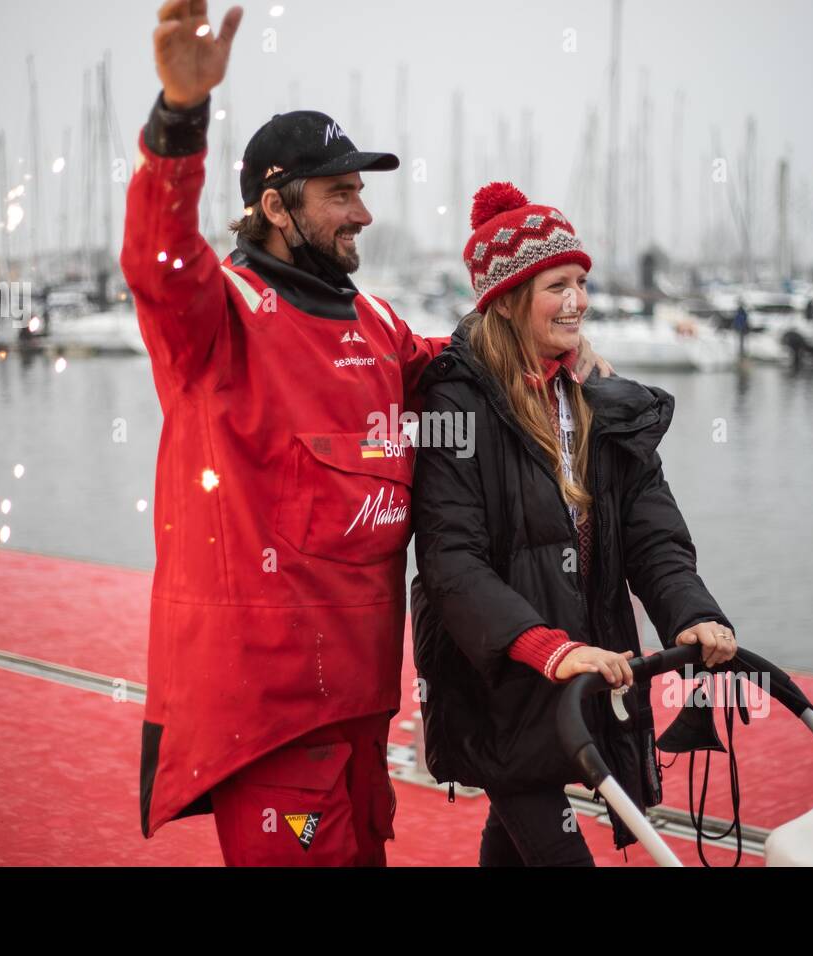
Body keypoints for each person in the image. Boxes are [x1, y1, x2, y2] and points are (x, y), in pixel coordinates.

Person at [121, 2, 613, 866]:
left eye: (363, 191)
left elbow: (470, 373)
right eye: (340, 193)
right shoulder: (219, 318)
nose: (363, 213)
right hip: (268, 716)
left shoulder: (375, 320)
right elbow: (158, 258)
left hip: (358, 703)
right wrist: (178, 117)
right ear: (275, 205)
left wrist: (554, 339)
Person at [410, 181, 737, 866]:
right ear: (509, 296)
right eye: (557, 284)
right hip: (498, 679)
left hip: (582, 666)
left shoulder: (598, 400)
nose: (578, 301)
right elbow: (451, 561)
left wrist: (691, 611)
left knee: (514, 846)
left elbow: (651, 530)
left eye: (581, 282)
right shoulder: (457, 402)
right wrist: (545, 648)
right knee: (556, 850)